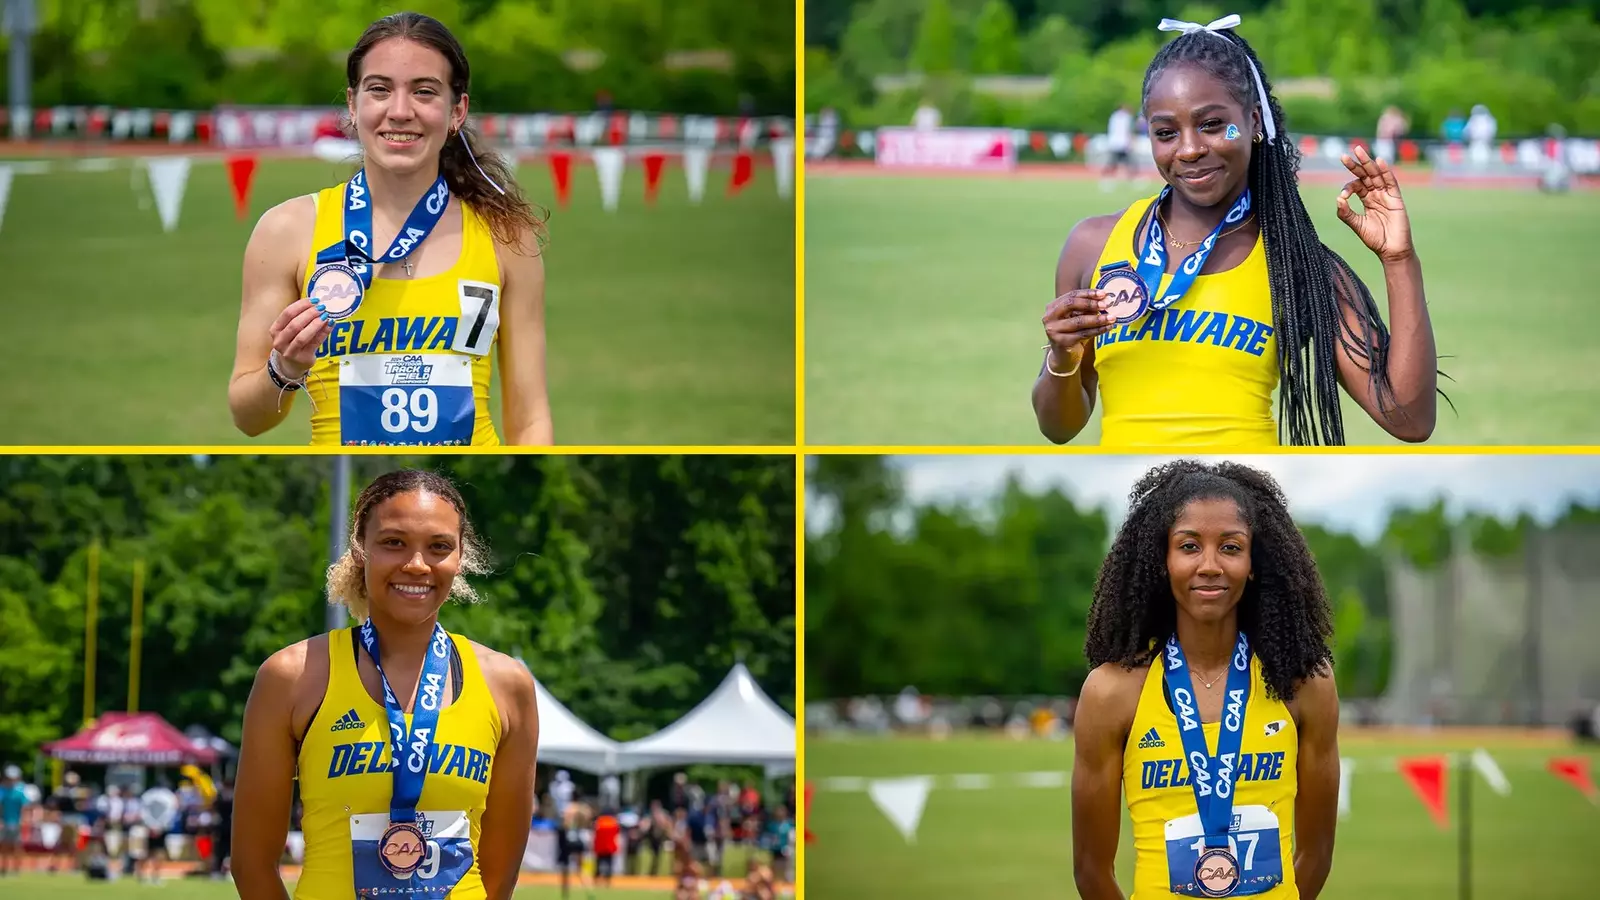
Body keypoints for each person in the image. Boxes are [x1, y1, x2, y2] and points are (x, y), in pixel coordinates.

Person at [1033, 14, 1439, 448]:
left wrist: (1399, 261)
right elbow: (1059, 428)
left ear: (1254, 120)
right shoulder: (1092, 245)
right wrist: (1063, 355)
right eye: (1166, 133)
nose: (1189, 149)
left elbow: (1409, 419)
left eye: (1211, 124)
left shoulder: (1295, 262)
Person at [229, 12, 553, 447]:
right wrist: (283, 369)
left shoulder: (505, 237)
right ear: (352, 104)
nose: (400, 112)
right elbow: (248, 418)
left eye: (424, 92)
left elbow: (530, 421)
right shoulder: (286, 231)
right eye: (379, 89)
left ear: (457, 111)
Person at [231, 469, 541, 900]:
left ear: (460, 556)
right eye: (394, 542)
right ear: (361, 549)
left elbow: (500, 874)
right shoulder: (292, 677)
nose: (416, 564)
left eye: (438, 547)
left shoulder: (507, 685)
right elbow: (252, 865)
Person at [1070, 460, 1340, 899]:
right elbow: (1091, 870)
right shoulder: (1111, 692)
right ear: (1163, 560)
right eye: (1189, 546)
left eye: (1231, 548)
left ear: (1254, 563)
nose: (1210, 565)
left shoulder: (1304, 683)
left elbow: (1317, 854)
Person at [0, 766, 27, 877]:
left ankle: (16, 869)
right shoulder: (2, 791)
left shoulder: (19, 792)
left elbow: (24, 807)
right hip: (4, 822)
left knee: (16, 846)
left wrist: (23, 820)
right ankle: (4, 868)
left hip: (16, 822)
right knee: (4, 846)